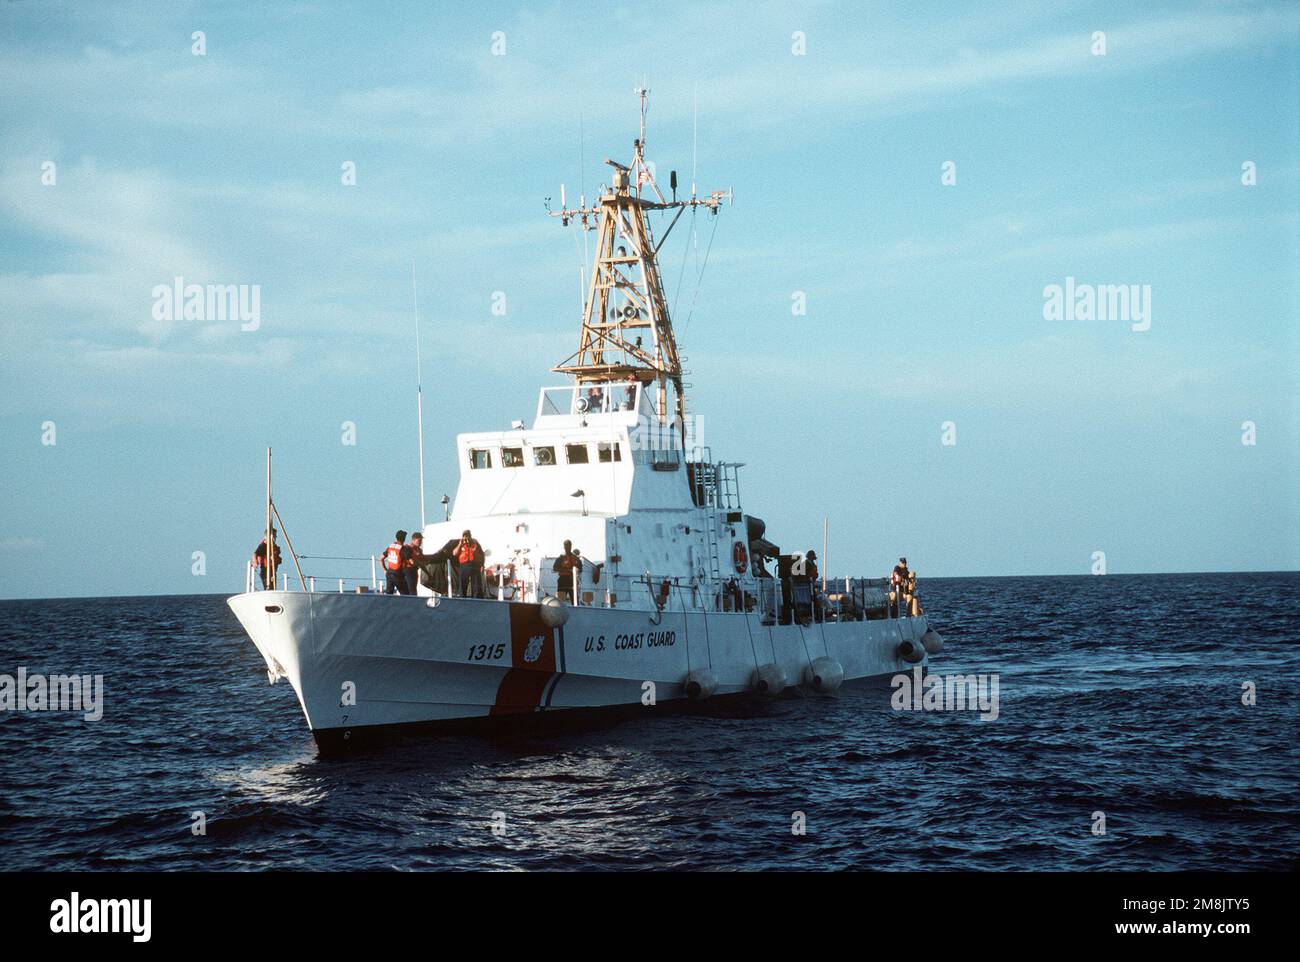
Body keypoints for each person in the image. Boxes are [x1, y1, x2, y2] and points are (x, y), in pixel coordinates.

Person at [454, 529, 484, 598]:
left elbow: (481, 555)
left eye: (467, 536)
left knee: (476, 583)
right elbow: (454, 553)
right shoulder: (460, 544)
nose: (466, 537)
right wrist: (459, 544)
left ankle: (476, 598)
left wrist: (482, 565)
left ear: (470, 536)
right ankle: (462, 597)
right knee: (463, 582)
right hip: (464, 565)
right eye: (464, 536)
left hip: (474, 564)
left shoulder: (475, 543)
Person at [382, 530, 411, 595]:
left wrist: (385, 570)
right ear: (404, 538)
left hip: (389, 573)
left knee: (389, 594)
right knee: (406, 594)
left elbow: (381, 558)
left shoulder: (390, 547)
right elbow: (411, 561)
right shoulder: (403, 549)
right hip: (398, 574)